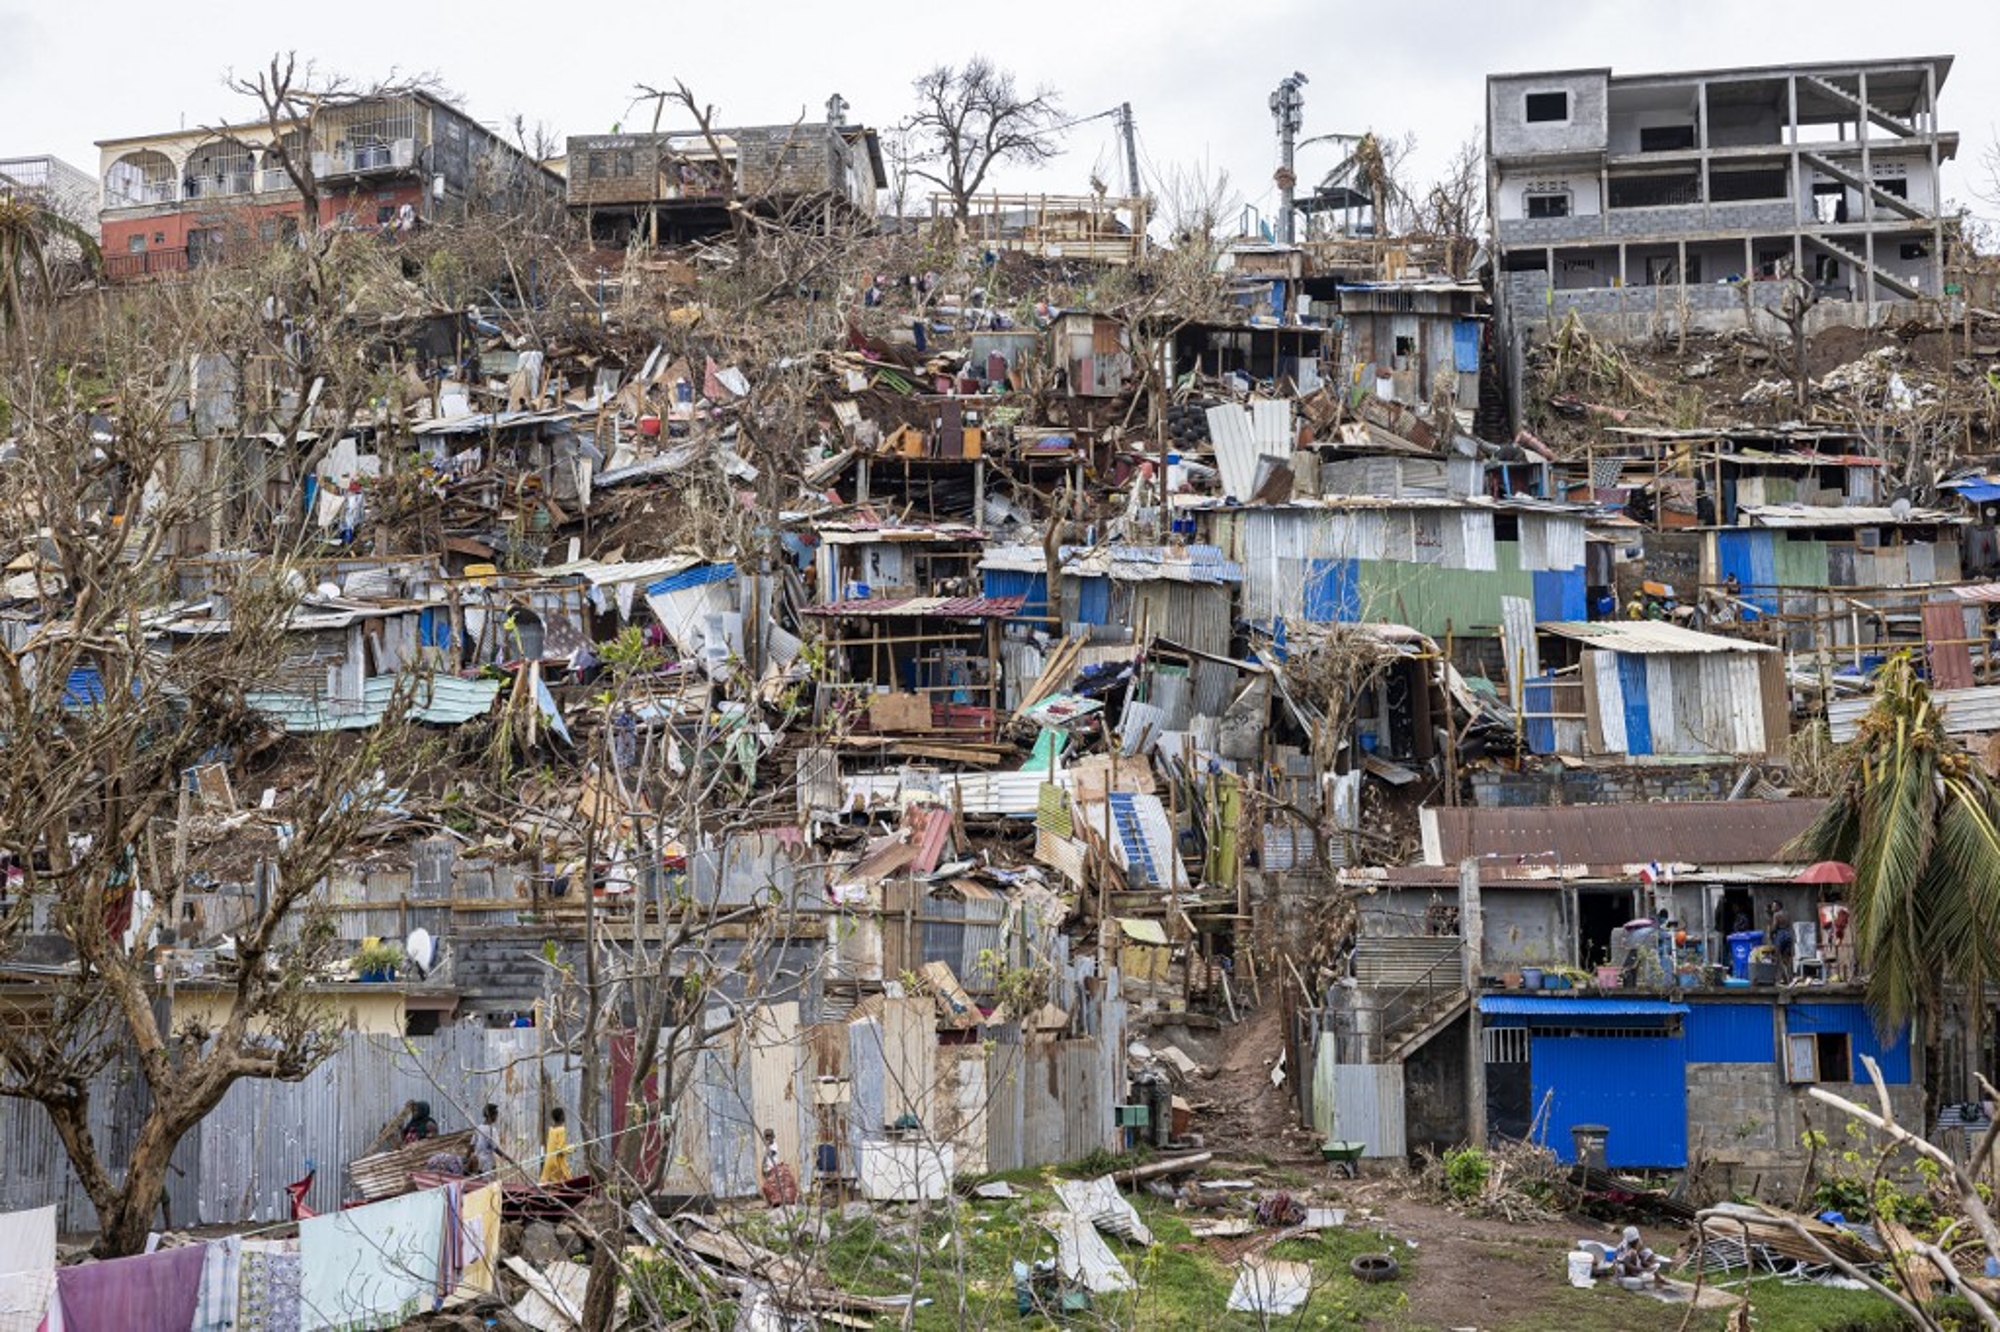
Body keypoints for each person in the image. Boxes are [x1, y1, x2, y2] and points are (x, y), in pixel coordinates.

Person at [540, 1106, 572, 1185]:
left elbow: (553, 1146)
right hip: (558, 1162)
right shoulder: (562, 1130)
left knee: (545, 1181)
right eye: (563, 1115)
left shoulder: (551, 1130)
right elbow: (561, 1150)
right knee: (567, 1179)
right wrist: (572, 1149)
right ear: (561, 1117)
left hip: (549, 1161)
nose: (565, 1116)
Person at [468, 1103, 501, 1177]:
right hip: (487, 1164)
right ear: (492, 1115)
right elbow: (496, 1149)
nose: (497, 1118)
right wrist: (509, 1159)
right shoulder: (492, 1131)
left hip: (477, 1164)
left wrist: (466, 1160)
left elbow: (471, 1146)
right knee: (487, 1185)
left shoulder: (479, 1128)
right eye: (496, 1115)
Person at [1768, 902, 1795, 981]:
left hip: (1781, 935)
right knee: (1787, 958)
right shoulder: (1787, 914)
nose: (1772, 908)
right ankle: (1790, 977)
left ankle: (1782, 978)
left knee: (1778, 956)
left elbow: (1774, 927)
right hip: (1789, 934)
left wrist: (1770, 932)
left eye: (1774, 906)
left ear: (1778, 907)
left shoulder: (1776, 915)